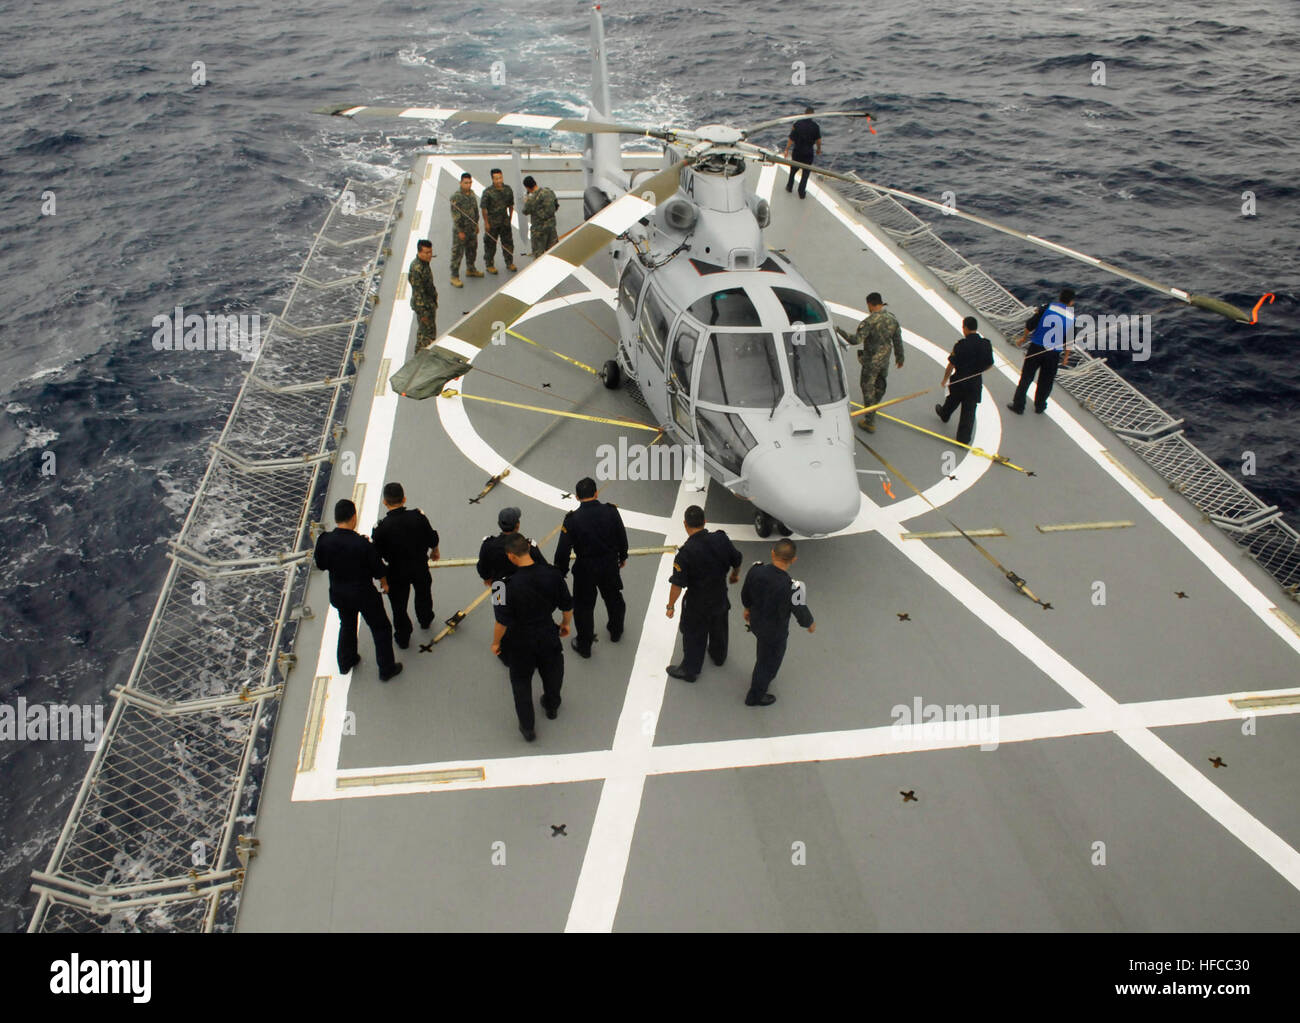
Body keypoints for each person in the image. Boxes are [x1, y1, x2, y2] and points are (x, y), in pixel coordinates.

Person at [490, 534, 574, 741]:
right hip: (547, 632)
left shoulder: (500, 586)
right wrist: (565, 624)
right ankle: (552, 705)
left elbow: (501, 621)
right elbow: (567, 606)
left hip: (519, 640)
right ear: (528, 549)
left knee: (520, 682)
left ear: (511, 556)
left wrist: (496, 643)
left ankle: (527, 727)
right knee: (553, 672)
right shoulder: (553, 574)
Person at [313, 499, 402, 682]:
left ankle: (346, 661)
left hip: (339, 593)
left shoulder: (324, 541)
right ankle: (386, 669)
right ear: (354, 517)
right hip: (363, 594)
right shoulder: (362, 544)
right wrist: (384, 584)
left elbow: (321, 565)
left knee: (347, 624)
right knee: (381, 628)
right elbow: (378, 569)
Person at [665, 505, 742, 683]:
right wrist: (735, 575)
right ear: (704, 521)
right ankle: (719, 656)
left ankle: (690, 671)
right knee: (720, 629)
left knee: (693, 635)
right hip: (720, 597)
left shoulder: (685, 554)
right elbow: (737, 559)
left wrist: (670, 606)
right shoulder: (721, 539)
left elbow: (677, 584)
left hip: (697, 604)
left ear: (685, 524)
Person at [553, 477, 627, 657]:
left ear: (577, 497)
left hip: (585, 569)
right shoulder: (611, 512)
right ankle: (616, 631)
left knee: (584, 608)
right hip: (609, 565)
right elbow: (621, 536)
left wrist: (560, 572)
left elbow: (563, 550)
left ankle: (585, 646)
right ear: (596, 493)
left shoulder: (572, 520)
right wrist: (622, 556)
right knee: (614, 598)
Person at [740, 539, 814, 706]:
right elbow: (800, 610)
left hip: (756, 623)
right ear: (793, 560)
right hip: (775, 633)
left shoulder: (755, 570)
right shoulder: (793, 587)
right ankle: (755, 696)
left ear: (772, 553)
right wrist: (809, 624)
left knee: (762, 653)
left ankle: (762, 679)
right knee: (768, 662)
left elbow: (746, 593)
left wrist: (748, 608)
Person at [370, 482, 440, 650]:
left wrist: (383, 579)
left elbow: (375, 557)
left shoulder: (381, 528)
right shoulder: (418, 517)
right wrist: (435, 551)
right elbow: (432, 538)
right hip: (419, 566)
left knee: (399, 607)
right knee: (423, 594)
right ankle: (425, 620)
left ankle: (403, 638)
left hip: (396, 571)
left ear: (385, 502)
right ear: (404, 498)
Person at [1008, 287, 1075, 415]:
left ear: (1060, 297)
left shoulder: (1046, 308)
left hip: (1036, 348)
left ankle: (1018, 405)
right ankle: (1040, 406)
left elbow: (1030, 324)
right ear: (1071, 302)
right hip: (1053, 354)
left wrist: (1023, 338)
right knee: (1046, 381)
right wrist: (1066, 357)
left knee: (1026, 377)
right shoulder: (1072, 318)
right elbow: (1069, 341)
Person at [935, 315, 995, 446]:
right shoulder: (986, 344)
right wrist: (978, 371)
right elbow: (990, 364)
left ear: (966, 328)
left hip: (959, 380)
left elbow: (951, 364)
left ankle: (944, 415)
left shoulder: (960, 345)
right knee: (969, 411)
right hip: (975, 382)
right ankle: (963, 439)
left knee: (952, 400)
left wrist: (945, 379)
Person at [850, 291, 904, 432]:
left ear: (870, 304)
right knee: (880, 385)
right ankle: (875, 404)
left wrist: (838, 331)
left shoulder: (869, 322)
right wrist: (900, 357)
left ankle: (869, 421)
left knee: (867, 387)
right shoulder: (892, 319)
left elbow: (856, 340)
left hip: (871, 361)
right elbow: (897, 340)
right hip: (884, 360)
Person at [476, 506, 547, 588]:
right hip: (525, 589)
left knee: (498, 599)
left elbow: (483, 569)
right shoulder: (527, 547)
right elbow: (544, 569)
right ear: (517, 525)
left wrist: (488, 579)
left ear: (499, 524)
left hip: (500, 589)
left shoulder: (488, 545)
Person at [480, 167, 516, 274]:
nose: (499, 180)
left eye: (500, 178)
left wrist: (510, 218)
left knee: (508, 243)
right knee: (490, 244)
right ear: (492, 179)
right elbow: (483, 208)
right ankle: (489, 265)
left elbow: (510, 205)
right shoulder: (487, 192)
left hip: (505, 222)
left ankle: (509, 262)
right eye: (496, 178)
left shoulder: (508, 189)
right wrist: (486, 223)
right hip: (492, 223)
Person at [449, 171, 482, 287]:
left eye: (470, 183)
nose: (468, 185)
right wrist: (460, 231)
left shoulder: (472, 194)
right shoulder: (456, 197)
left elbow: (475, 210)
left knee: (472, 250)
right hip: (461, 231)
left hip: (472, 229)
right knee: (457, 253)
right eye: (466, 183)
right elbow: (455, 216)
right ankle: (454, 276)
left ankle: (471, 269)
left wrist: (476, 224)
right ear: (461, 183)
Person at [783, 107, 822, 198]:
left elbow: (791, 139)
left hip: (797, 151)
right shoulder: (816, 127)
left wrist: (786, 150)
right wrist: (818, 149)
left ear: (804, 114)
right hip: (808, 153)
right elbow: (818, 141)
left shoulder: (797, 124)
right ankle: (801, 192)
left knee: (793, 170)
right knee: (805, 173)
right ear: (813, 115)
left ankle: (789, 187)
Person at [408, 239, 438, 351]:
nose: (430, 255)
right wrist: (424, 314)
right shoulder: (417, 269)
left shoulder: (424, 263)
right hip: (423, 307)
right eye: (427, 253)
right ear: (419, 252)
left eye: (430, 252)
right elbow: (418, 293)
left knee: (429, 332)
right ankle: (420, 358)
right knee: (425, 335)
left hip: (429, 304)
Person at [522, 175, 559, 257]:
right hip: (551, 228)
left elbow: (525, 211)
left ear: (527, 187)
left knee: (539, 256)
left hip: (539, 231)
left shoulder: (532, 199)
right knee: (553, 254)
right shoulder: (548, 191)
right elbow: (556, 206)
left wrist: (526, 200)